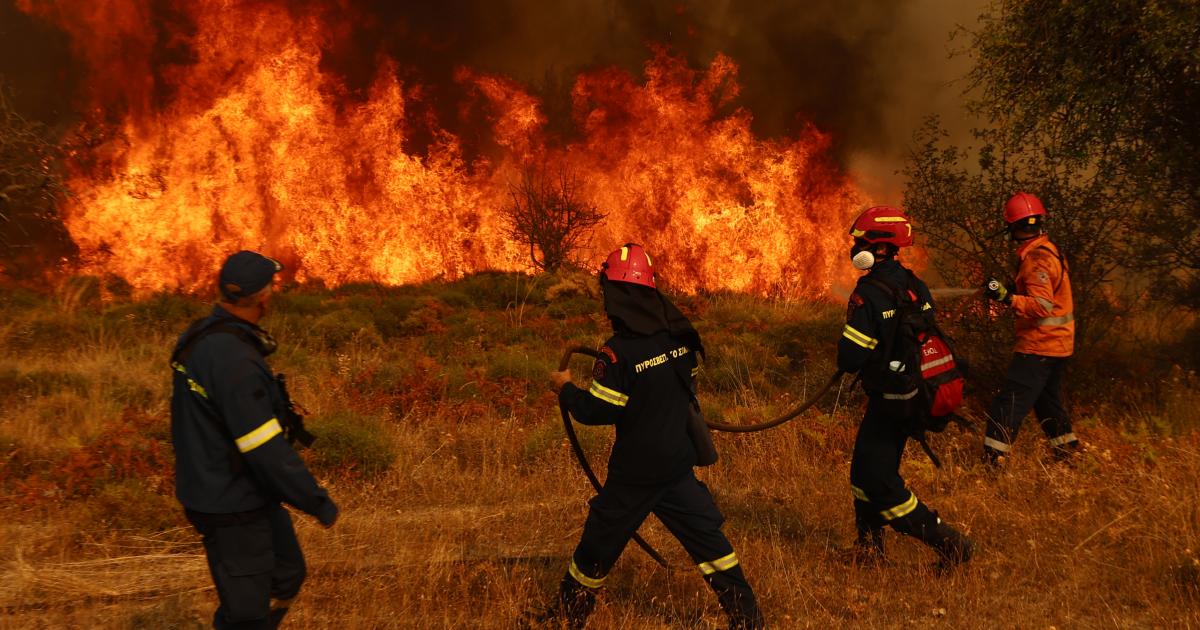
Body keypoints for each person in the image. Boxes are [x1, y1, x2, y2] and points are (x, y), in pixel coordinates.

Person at [534, 243, 764, 629]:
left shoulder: (617, 353)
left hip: (636, 473)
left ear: (617, 295)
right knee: (710, 545)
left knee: (597, 545)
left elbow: (598, 411)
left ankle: (563, 619)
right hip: (676, 465)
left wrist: (566, 389)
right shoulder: (677, 335)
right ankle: (749, 620)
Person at [171, 250, 338, 629]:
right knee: (246, 613)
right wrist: (316, 502)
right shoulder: (234, 360)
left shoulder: (205, 336)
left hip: (241, 490)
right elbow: (263, 448)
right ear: (263, 295)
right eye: (271, 287)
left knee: (287, 572)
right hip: (229, 503)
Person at [839, 207, 973, 567]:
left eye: (861, 242)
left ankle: (949, 543)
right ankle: (869, 549)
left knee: (879, 481)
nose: (856, 248)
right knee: (861, 473)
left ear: (879, 247)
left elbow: (850, 357)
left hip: (891, 399)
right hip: (914, 393)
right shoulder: (915, 284)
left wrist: (859, 347)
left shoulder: (867, 294)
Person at [982, 192, 1080, 462]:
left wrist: (1007, 297)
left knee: (1009, 403)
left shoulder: (1036, 260)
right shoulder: (1049, 250)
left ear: (1014, 227)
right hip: (1058, 344)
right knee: (1046, 401)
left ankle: (993, 460)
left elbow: (1042, 306)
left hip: (1040, 345)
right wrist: (1013, 290)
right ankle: (1066, 452)